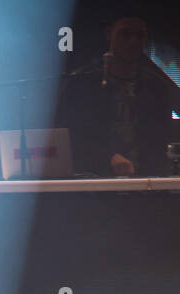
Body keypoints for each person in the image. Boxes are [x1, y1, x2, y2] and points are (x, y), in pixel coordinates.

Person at [58, 15, 174, 178]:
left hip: (146, 182)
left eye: (139, 36)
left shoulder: (156, 87)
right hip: (93, 182)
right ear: (108, 34)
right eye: (125, 34)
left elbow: (161, 138)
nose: (133, 41)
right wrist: (107, 158)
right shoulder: (81, 83)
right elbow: (71, 137)